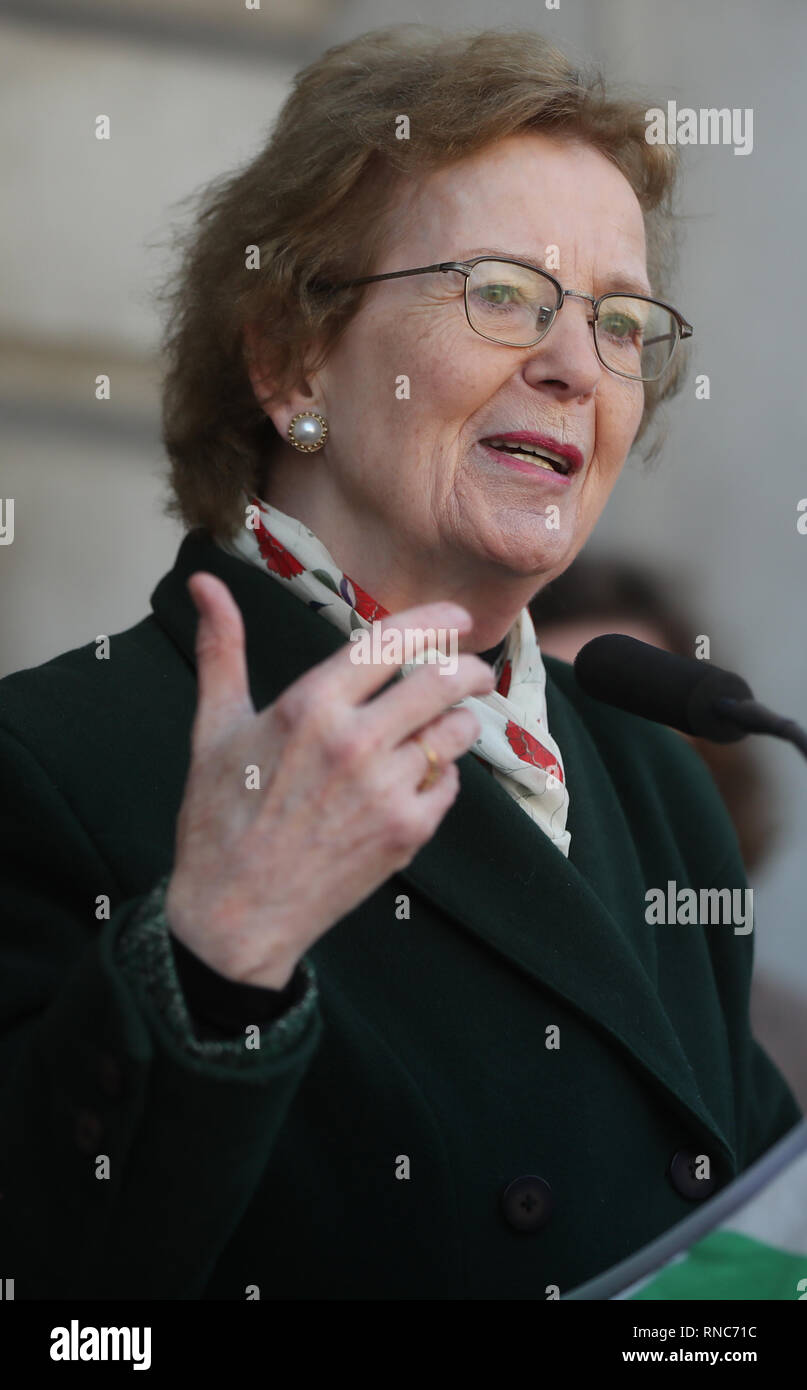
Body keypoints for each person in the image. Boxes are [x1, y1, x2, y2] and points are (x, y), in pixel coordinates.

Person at [0, 25, 799, 1301]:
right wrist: (216, 950)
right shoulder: (50, 762)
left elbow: (750, 1230)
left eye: (621, 322)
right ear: (290, 357)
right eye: (499, 293)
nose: (572, 365)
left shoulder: (655, 783)